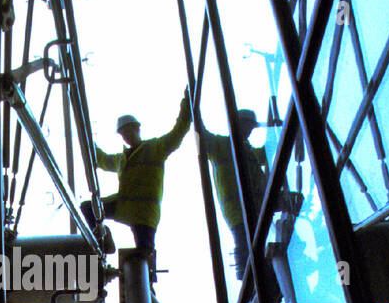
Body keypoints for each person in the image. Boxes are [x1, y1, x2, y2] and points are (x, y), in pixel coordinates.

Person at [81, 90, 192, 254]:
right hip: (125, 206)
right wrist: (87, 140)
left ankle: (146, 272)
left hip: (144, 213)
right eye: (122, 133)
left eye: (128, 131)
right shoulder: (122, 159)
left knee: (144, 255)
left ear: (137, 128)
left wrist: (187, 105)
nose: (125, 136)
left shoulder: (155, 148)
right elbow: (102, 160)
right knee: (88, 208)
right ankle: (104, 240)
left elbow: (179, 131)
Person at [201, 109, 269, 279]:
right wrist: (191, 105)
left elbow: (268, 152)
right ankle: (248, 280)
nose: (250, 130)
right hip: (238, 209)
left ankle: (254, 279)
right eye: (248, 125)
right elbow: (201, 135)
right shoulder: (221, 145)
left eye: (251, 127)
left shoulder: (248, 150)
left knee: (253, 244)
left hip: (253, 209)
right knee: (245, 243)